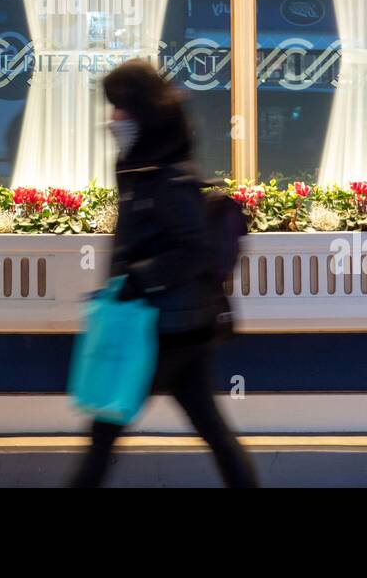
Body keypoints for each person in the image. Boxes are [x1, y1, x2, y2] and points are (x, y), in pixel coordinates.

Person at [69, 59, 258, 488]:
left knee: (103, 430)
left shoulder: (169, 179)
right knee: (211, 428)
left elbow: (195, 249)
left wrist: (138, 278)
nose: (112, 118)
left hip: (164, 327)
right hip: (178, 323)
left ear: (141, 114)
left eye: (119, 108)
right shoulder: (142, 170)